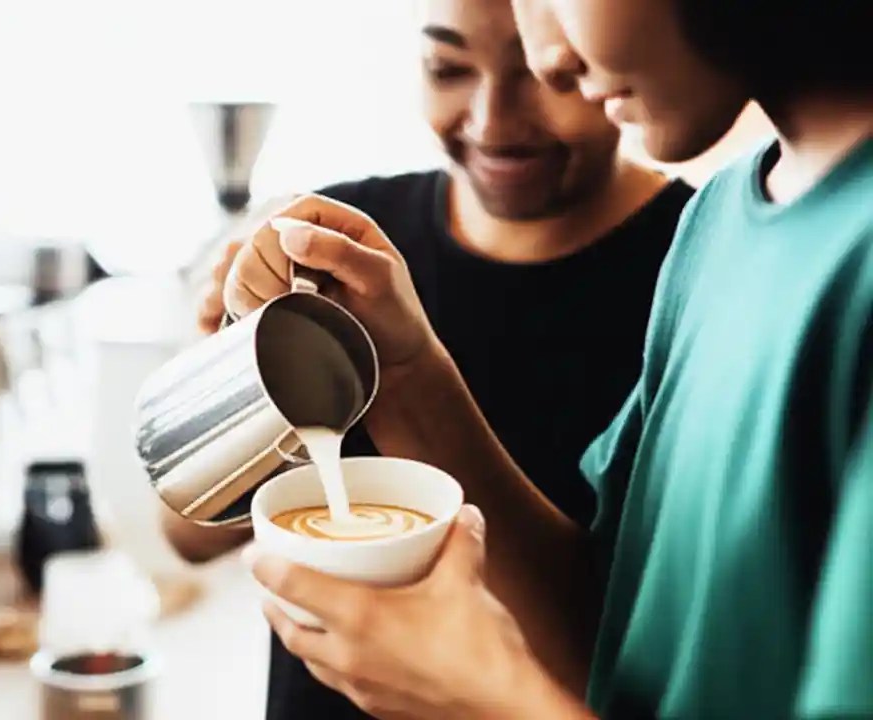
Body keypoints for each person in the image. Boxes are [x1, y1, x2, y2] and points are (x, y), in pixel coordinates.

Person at [235, 0, 873, 717]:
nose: (550, 55)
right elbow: (607, 623)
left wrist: (484, 699)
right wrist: (403, 372)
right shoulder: (721, 215)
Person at [163, 0, 693, 716]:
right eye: (447, 69)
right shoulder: (345, 245)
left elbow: (616, 651)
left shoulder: (690, 268)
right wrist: (226, 377)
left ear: (596, 59)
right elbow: (187, 533)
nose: (493, 121)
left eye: (545, 74)